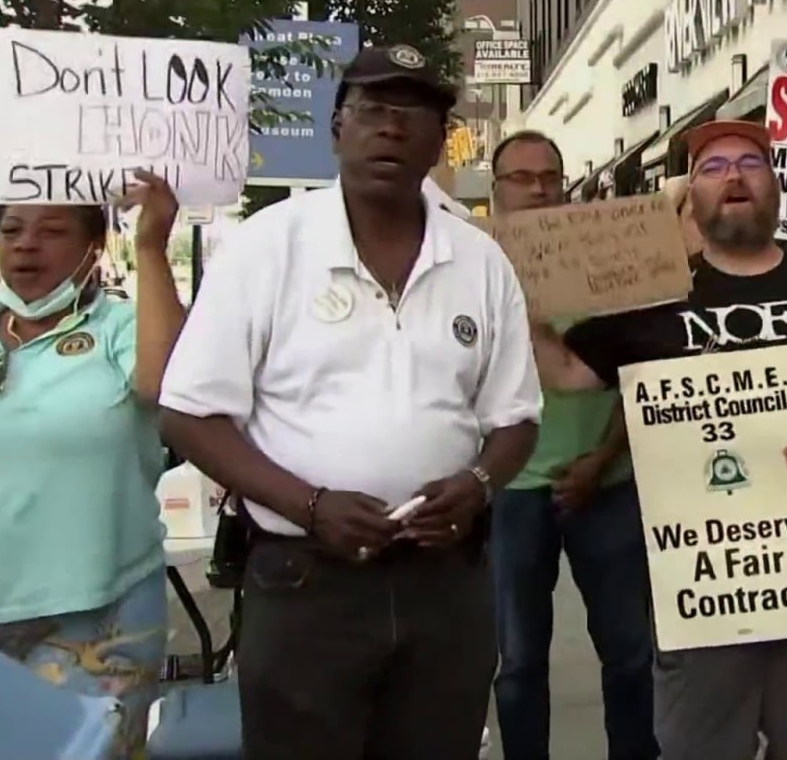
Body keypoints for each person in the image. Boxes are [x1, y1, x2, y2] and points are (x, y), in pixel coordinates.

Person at [157, 44, 542, 760]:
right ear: (337, 129)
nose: (390, 130)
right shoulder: (267, 246)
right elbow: (188, 412)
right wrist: (309, 504)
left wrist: (479, 483)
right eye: (371, 112)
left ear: (441, 140)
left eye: (412, 115)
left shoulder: (481, 260)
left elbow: (515, 417)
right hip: (306, 583)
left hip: (445, 584)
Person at [527, 119, 787, 760]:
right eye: (713, 166)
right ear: (691, 197)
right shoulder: (652, 300)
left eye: (750, 163)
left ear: (776, 187)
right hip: (697, 580)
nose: (733, 175)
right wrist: (517, 298)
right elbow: (564, 372)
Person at [0, 172, 185, 757]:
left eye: (51, 231)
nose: (26, 244)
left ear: (92, 248)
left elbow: (168, 386)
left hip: (98, 623)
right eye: (12, 229)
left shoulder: (124, 330)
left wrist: (150, 245)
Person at [486, 129, 656, 760]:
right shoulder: (470, 268)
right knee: (519, 660)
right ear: (495, 186)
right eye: (521, 178)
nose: (537, 189)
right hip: (509, 491)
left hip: (608, 483)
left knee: (630, 652)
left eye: (549, 177)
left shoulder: (609, 263)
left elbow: (643, 376)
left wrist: (605, 458)